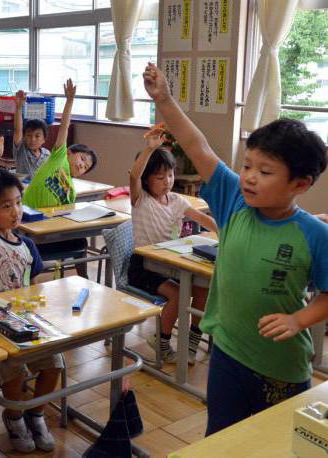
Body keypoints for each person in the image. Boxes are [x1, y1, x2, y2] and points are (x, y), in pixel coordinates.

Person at [143, 62, 328, 435]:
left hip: (281, 366)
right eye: (246, 165)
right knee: (222, 437)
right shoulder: (234, 202)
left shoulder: (313, 234)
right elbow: (198, 145)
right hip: (226, 353)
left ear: (301, 183)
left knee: (271, 442)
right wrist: (164, 100)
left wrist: (298, 320)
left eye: (265, 170)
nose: (249, 176)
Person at [0, 127, 59, 453]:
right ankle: (14, 416)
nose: (15, 210)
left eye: (18, 203)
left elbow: (37, 284)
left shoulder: (28, 246)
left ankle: (35, 415)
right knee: (15, 373)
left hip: (24, 319)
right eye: (5, 205)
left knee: (55, 365)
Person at [128, 128, 217, 364]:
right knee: (178, 295)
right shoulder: (141, 200)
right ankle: (162, 340)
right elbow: (133, 176)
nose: (167, 182)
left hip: (169, 262)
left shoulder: (176, 201)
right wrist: (150, 148)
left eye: (170, 175)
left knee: (202, 288)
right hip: (144, 265)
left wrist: (223, 231)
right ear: (147, 179)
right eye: (159, 177)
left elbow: (205, 220)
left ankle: (192, 341)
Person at [23, 79, 97, 208]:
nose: (82, 166)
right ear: (68, 152)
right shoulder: (59, 157)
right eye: (82, 159)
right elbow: (64, 127)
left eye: (86, 167)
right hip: (27, 215)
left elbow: (65, 213)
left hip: (48, 224)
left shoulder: (71, 192)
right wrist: (69, 101)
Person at [13, 90, 50, 179]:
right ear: (24, 137)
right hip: (24, 189)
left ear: (44, 139)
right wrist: (18, 108)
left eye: (37, 136)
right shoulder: (21, 149)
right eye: (29, 135)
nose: (32, 139)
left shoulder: (47, 154)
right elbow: (18, 130)